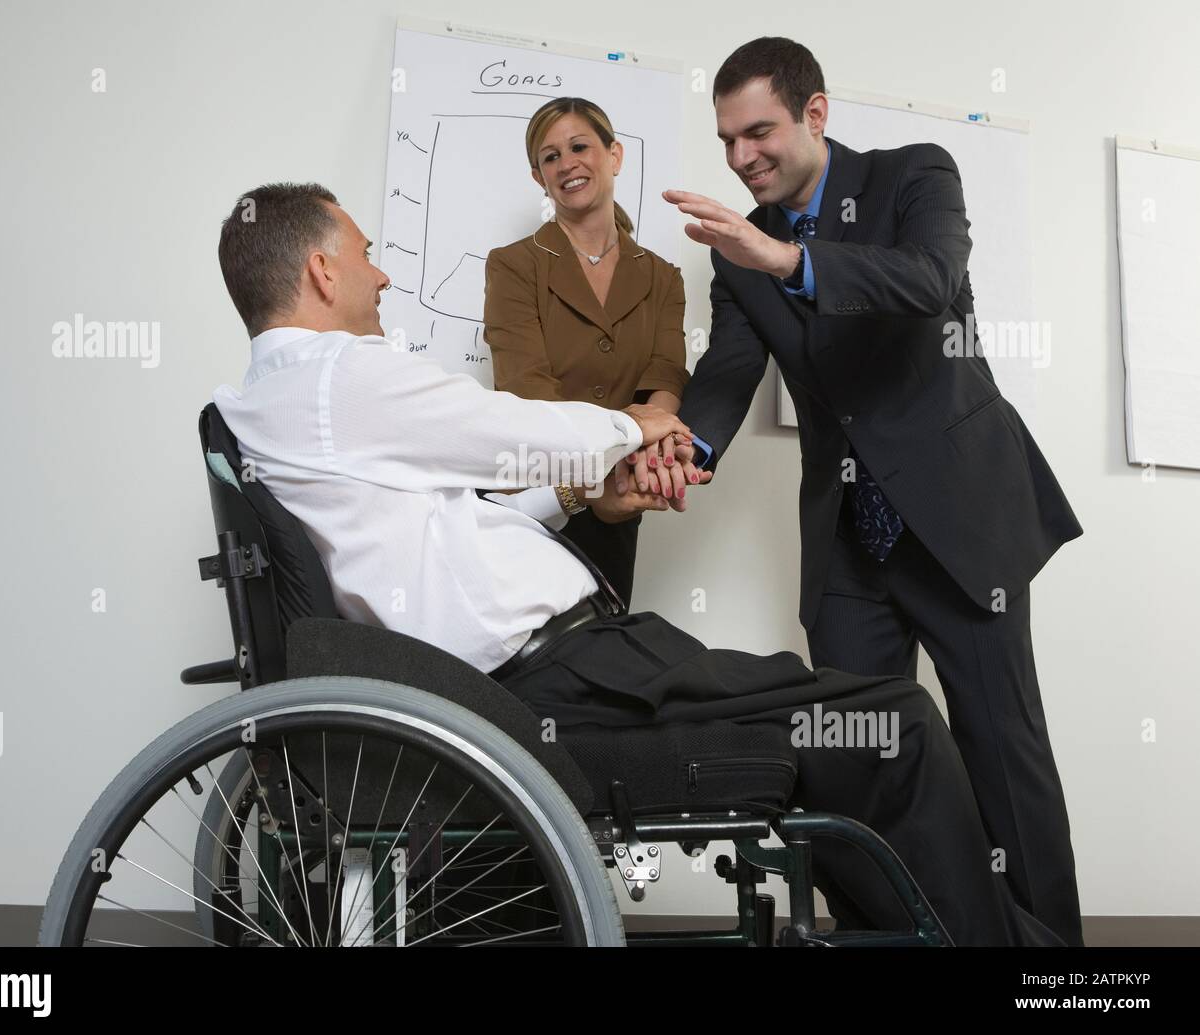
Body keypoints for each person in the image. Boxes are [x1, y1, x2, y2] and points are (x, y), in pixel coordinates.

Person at [211, 181, 1063, 946]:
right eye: (365, 256)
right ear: (323, 271)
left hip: (575, 664)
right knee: (898, 722)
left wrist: (590, 495)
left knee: (860, 723)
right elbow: (503, 427)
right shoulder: (335, 378)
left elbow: (449, 513)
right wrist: (637, 426)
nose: (383, 276)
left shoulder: (280, 407)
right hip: (569, 682)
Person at [662, 37, 1084, 946]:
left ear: (816, 113)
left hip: (959, 522)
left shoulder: (914, 177)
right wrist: (679, 449)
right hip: (851, 542)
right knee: (852, 763)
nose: (742, 158)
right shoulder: (740, 250)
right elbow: (728, 375)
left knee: (1002, 753)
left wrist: (788, 264)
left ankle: (1053, 968)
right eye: (728, 139)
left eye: (759, 132)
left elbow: (928, 283)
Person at [484, 97, 697, 610]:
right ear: (539, 177)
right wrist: (608, 462)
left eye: (579, 146)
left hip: (622, 497)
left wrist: (653, 459)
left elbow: (663, 380)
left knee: (608, 655)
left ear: (614, 155)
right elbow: (525, 387)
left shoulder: (662, 276)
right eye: (550, 157)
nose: (567, 164)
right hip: (539, 496)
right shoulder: (513, 265)